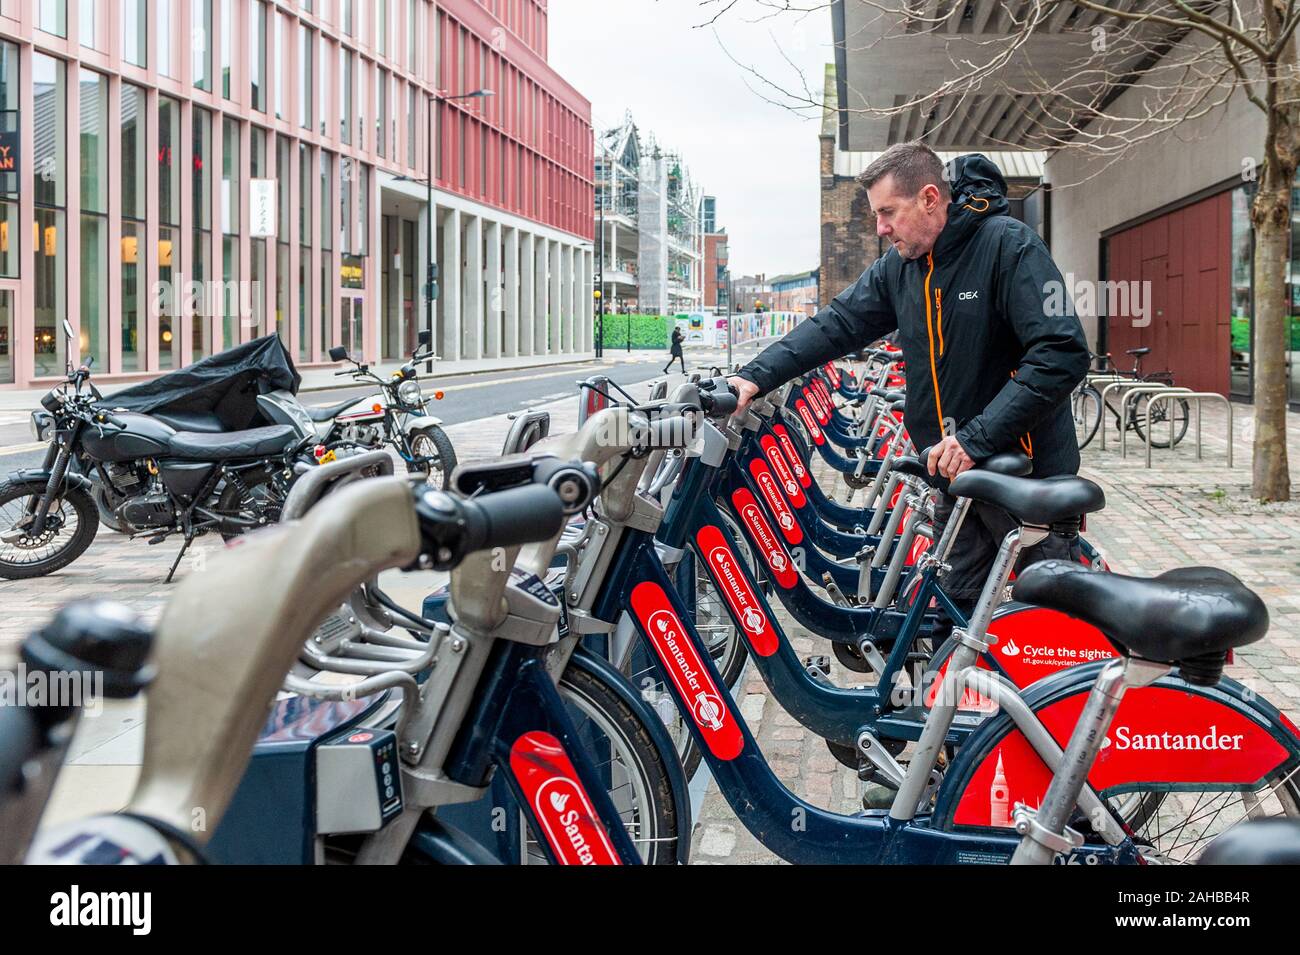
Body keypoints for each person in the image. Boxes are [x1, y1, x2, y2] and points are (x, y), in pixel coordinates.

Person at [728, 142, 1090, 617]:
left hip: (1026, 483)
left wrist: (975, 439)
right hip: (957, 482)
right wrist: (754, 378)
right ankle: (960, 692)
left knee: (1045, 630)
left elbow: (1062, 352)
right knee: (950, 620)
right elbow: (835, 325)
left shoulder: (1008, 244)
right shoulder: (902, 268)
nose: (880, 228)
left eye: (887, 213)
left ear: (928, 198)